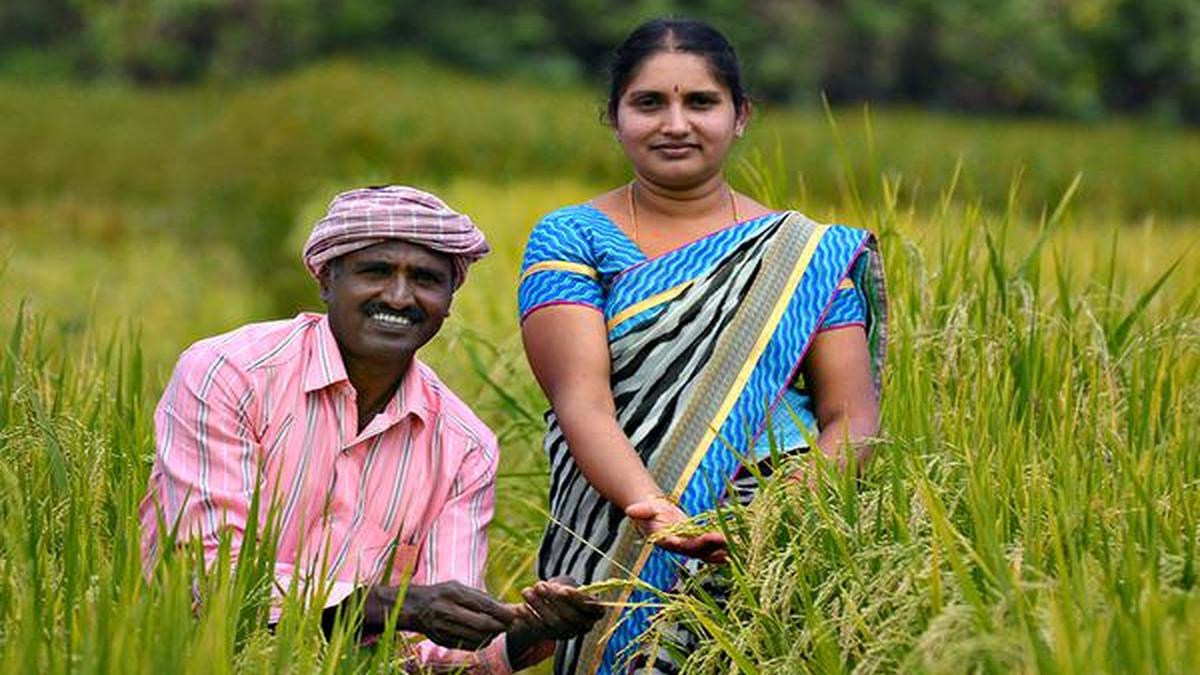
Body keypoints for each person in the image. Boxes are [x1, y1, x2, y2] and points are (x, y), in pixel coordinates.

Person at [517, 18, 888, 674]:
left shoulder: (801, 256)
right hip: (620, 524)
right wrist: (654, 510)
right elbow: (582, 401)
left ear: (741, 116)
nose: (676, 123)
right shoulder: (572, 237)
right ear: (614, 115)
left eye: (702, 102)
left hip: (775, 538)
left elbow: (851, 418)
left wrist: (774, 516)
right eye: (650, 102)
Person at [139, 186, 603, 672]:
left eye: (425, 279)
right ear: (326, 279)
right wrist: (397, 606)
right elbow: (211, 582)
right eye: (376, 271)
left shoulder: (465, 448)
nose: (399, 297)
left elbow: (437, 658)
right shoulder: (229, 374)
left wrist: (526, 628)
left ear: (449, 299)